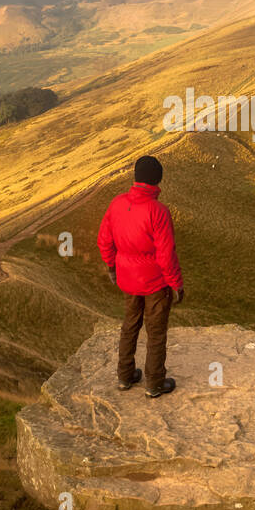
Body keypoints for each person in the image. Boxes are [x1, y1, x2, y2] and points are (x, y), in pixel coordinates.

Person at [96, 154, 183, 397]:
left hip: (128, 279)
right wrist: (176, 283)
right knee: (155, 333)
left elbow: (104, 240)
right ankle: (154, 384)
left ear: (135, 178)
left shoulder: (117, 204)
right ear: (158, 181)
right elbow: (166, 255)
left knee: (130, 325)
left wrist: (112, 267)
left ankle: (125, 376)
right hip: (155, 283)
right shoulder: (158, 211)